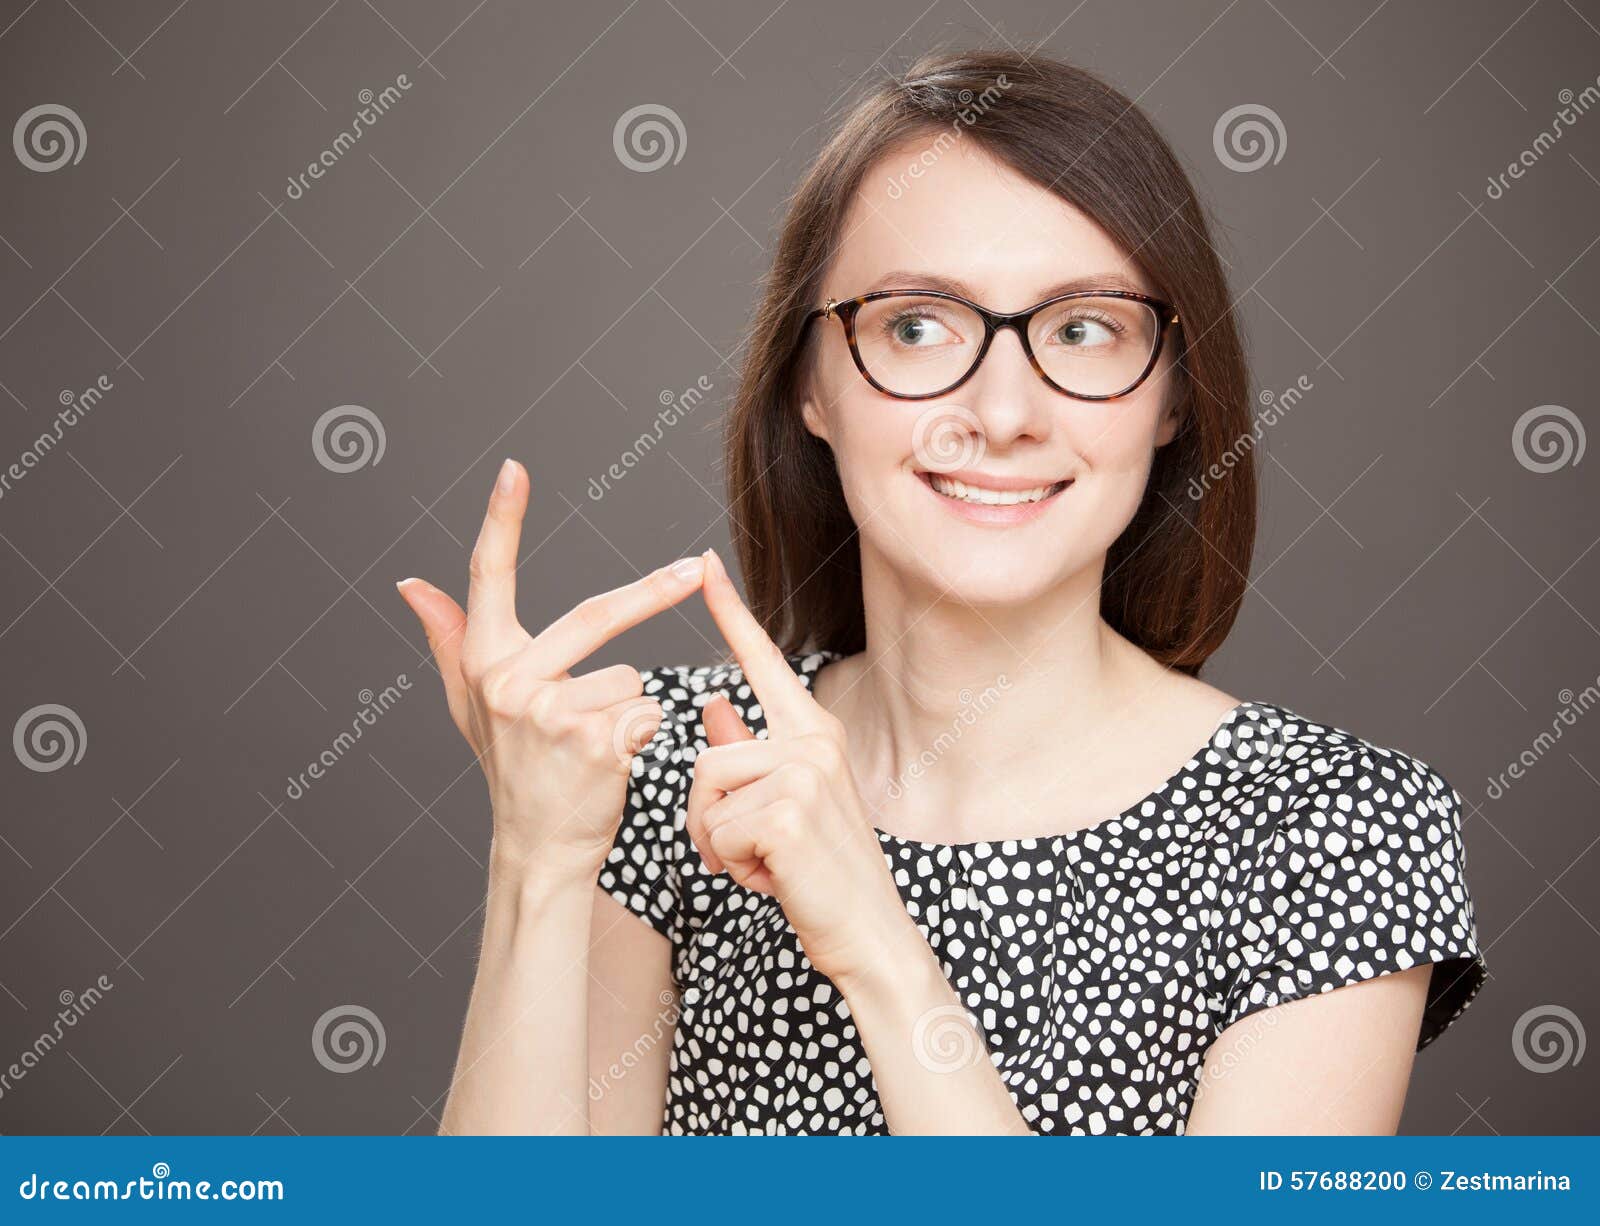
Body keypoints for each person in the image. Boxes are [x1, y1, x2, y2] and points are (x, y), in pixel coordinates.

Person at [397, 49, 1486, 1136]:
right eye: (918, 326)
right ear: (808, 383)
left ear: (1170, 394)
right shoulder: (671, 762)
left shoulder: (1330, 827)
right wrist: (538, 859)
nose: (1003, 409)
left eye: (1083, 327)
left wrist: (872, 935)